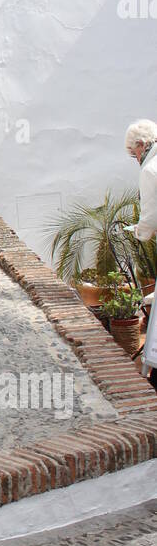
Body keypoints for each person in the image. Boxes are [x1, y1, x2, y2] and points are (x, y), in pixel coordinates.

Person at [124, 119, 157, 385]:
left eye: (132, 152)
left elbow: (149, 219)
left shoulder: (149, 170)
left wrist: (136, 231)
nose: (133, 157)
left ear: (142, 145)